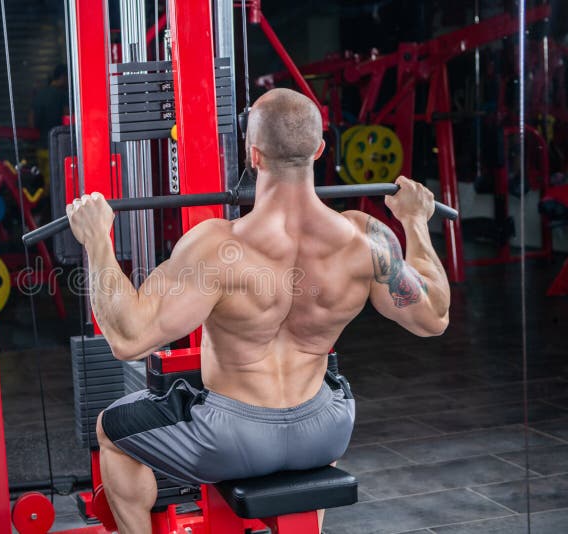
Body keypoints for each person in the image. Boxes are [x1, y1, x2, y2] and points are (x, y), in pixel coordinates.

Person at [66, 88, 451, 534]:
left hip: (230, 440)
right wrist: (416, 224)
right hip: (325, 432)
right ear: (321, 149)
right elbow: (434, 317)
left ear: (253, 154)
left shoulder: (217, 246)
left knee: (111, 431)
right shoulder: (366, 239)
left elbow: (127, 338)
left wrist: (97, 241)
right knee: (333, 383)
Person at [29, 64, 69, 188]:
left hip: (40, 148)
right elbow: (68, 118)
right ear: (63, 77)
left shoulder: (40, 95)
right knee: (56, 183)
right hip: (56, 148)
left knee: (46, 181)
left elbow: (31, 120)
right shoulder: (61, 95)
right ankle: (50, 206)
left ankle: (45, 205)